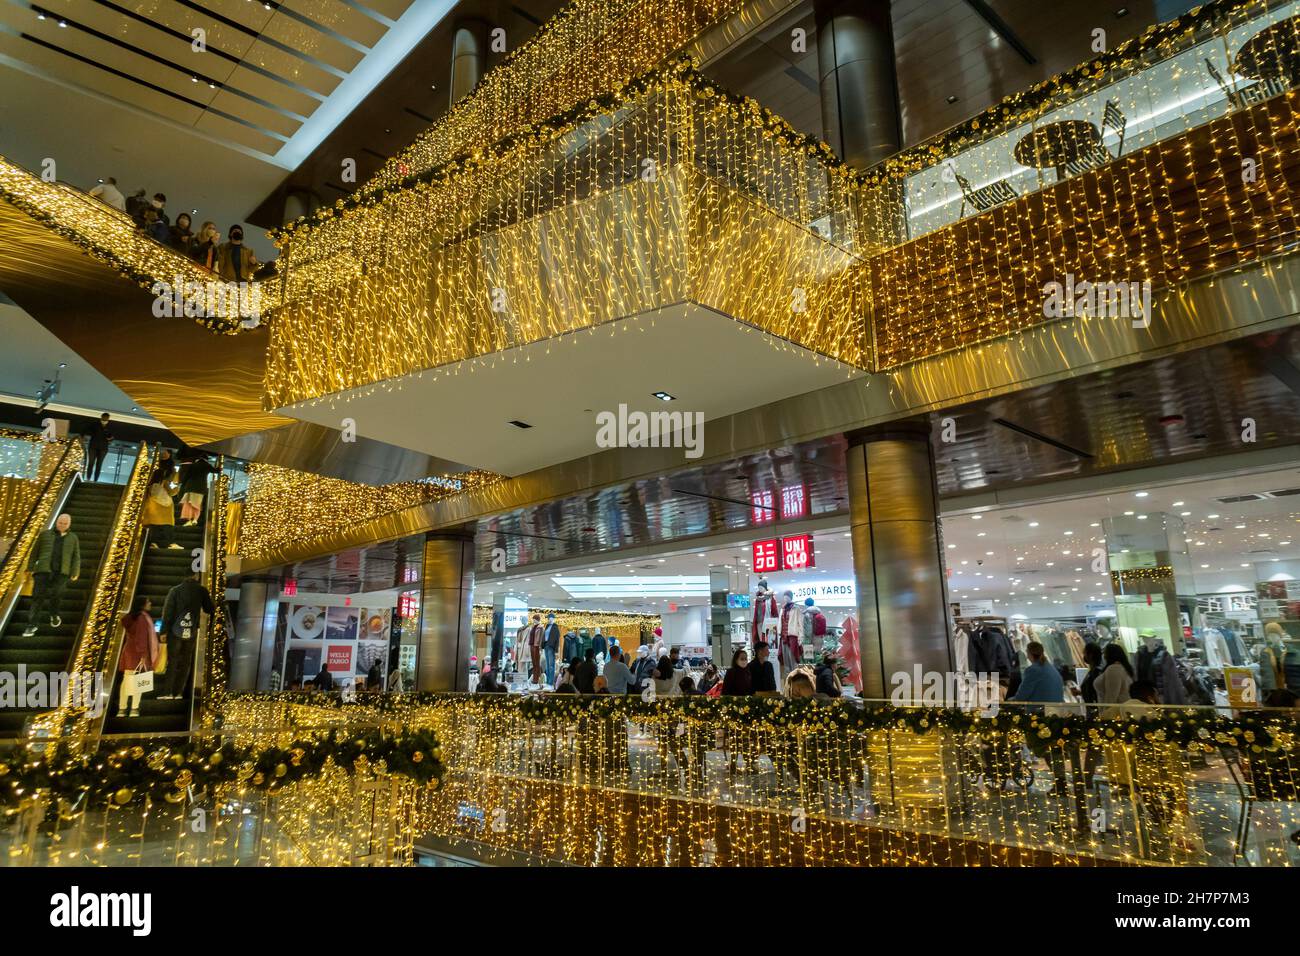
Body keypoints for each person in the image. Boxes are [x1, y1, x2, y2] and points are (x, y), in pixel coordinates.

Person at [158, 571, 214, 700]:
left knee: (173, 661)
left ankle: (167, 692)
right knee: (186, 661)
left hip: (175, 631)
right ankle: (179, 693)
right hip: (191, 631)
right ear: (196, 576)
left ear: (183, 576)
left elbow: (168, 612)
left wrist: (163, 631)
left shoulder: (175, 590)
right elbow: (208, 609)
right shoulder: (202, 590)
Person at [23, 513, 80, 636]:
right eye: (60, 523)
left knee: (57, 594)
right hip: (43, 570)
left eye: (65, 524)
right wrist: (30, 567)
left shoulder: (73, 538)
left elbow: (76, 556)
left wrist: (75, 571)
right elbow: (34, 552)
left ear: (69, 524)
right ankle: (32, 625)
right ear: (56, 522)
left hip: (62, 572)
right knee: (37, 597)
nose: (62, 525)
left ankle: (54, 614)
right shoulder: (45, 535)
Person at [116, 596, 158, 718]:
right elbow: (141, 638)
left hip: (129, 650)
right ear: (142, 605)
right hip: (138, 653)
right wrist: (143, 655)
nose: (150, 603)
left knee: (127, 680)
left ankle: (122, 709)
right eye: (148, 602)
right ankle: (134, 708)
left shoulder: (132, 617)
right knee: (138, 681)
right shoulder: (143, 618)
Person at [1008, 641, 1065, 710]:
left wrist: (1010, 702)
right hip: (1057, 710)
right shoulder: (1051, 668)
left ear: (1029, 654)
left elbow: (1022, 694)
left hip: (1041, 712)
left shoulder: (1033, 670)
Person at [142, 451, 179, 548]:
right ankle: (171, 542)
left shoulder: (155, 473)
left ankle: (153, 542)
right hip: (165, 503)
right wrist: (177, 489)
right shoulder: (165, 478)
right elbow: (171, 492)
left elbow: (148, 485)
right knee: (168, 524)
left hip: (152, 501)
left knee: (154, 524)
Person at [1095, 642, 1135, 716]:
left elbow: (1111, 696)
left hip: (1116, 714)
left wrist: (1105, 715)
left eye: (1105, 653)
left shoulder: (1114, 669)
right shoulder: (1121, 668)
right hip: (1120, 712)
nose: (1103, 656)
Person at [177, 454, 215, 526]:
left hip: (190, 487)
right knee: (197, 504)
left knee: (189, 504)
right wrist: (219, 468)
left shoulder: (193, 465)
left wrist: (182, 484)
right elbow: (215, 471)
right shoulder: (207, 465)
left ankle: (188, 519)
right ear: (206, 459)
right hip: (200, 489)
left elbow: (187, 476)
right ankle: (195, 519)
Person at [84, 412, 111, 482]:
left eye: (106, 418)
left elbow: (112, 437)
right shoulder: (95, 425)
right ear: (101, 417)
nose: (105, 419)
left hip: (101, 447)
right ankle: (90, 479)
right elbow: (88, 431)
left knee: (97, 464)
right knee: (92, 464)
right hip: (95, 446)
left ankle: (93, 480)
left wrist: (110, 438)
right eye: (104, 418)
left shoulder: (110, 427)